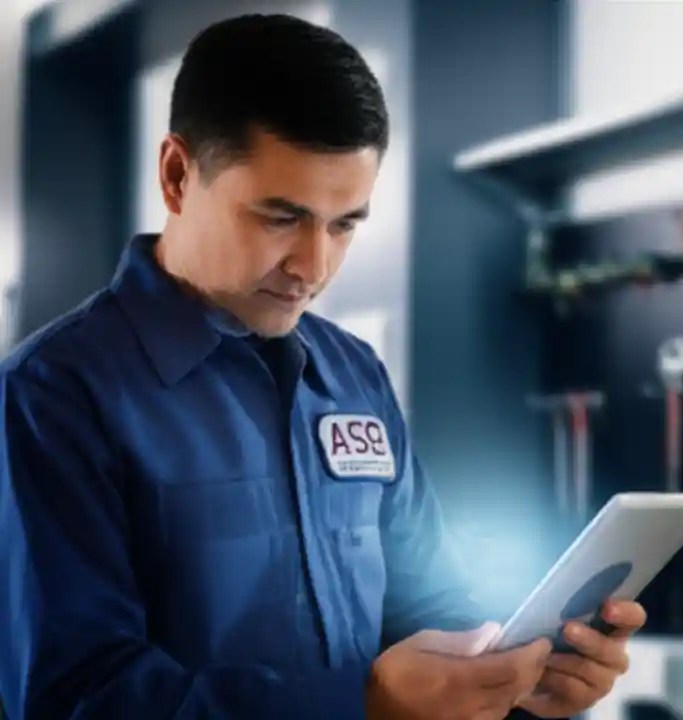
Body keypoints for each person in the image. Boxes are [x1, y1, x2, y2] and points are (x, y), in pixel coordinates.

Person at [0, 13, 644, 720]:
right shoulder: (51, 394)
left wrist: (519, 682)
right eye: (281, 218)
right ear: (178, 176)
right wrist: (364, 705)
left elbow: (429, 610)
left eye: (345, 224)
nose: (313, 266)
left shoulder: (353, 374)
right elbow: (74, 698)